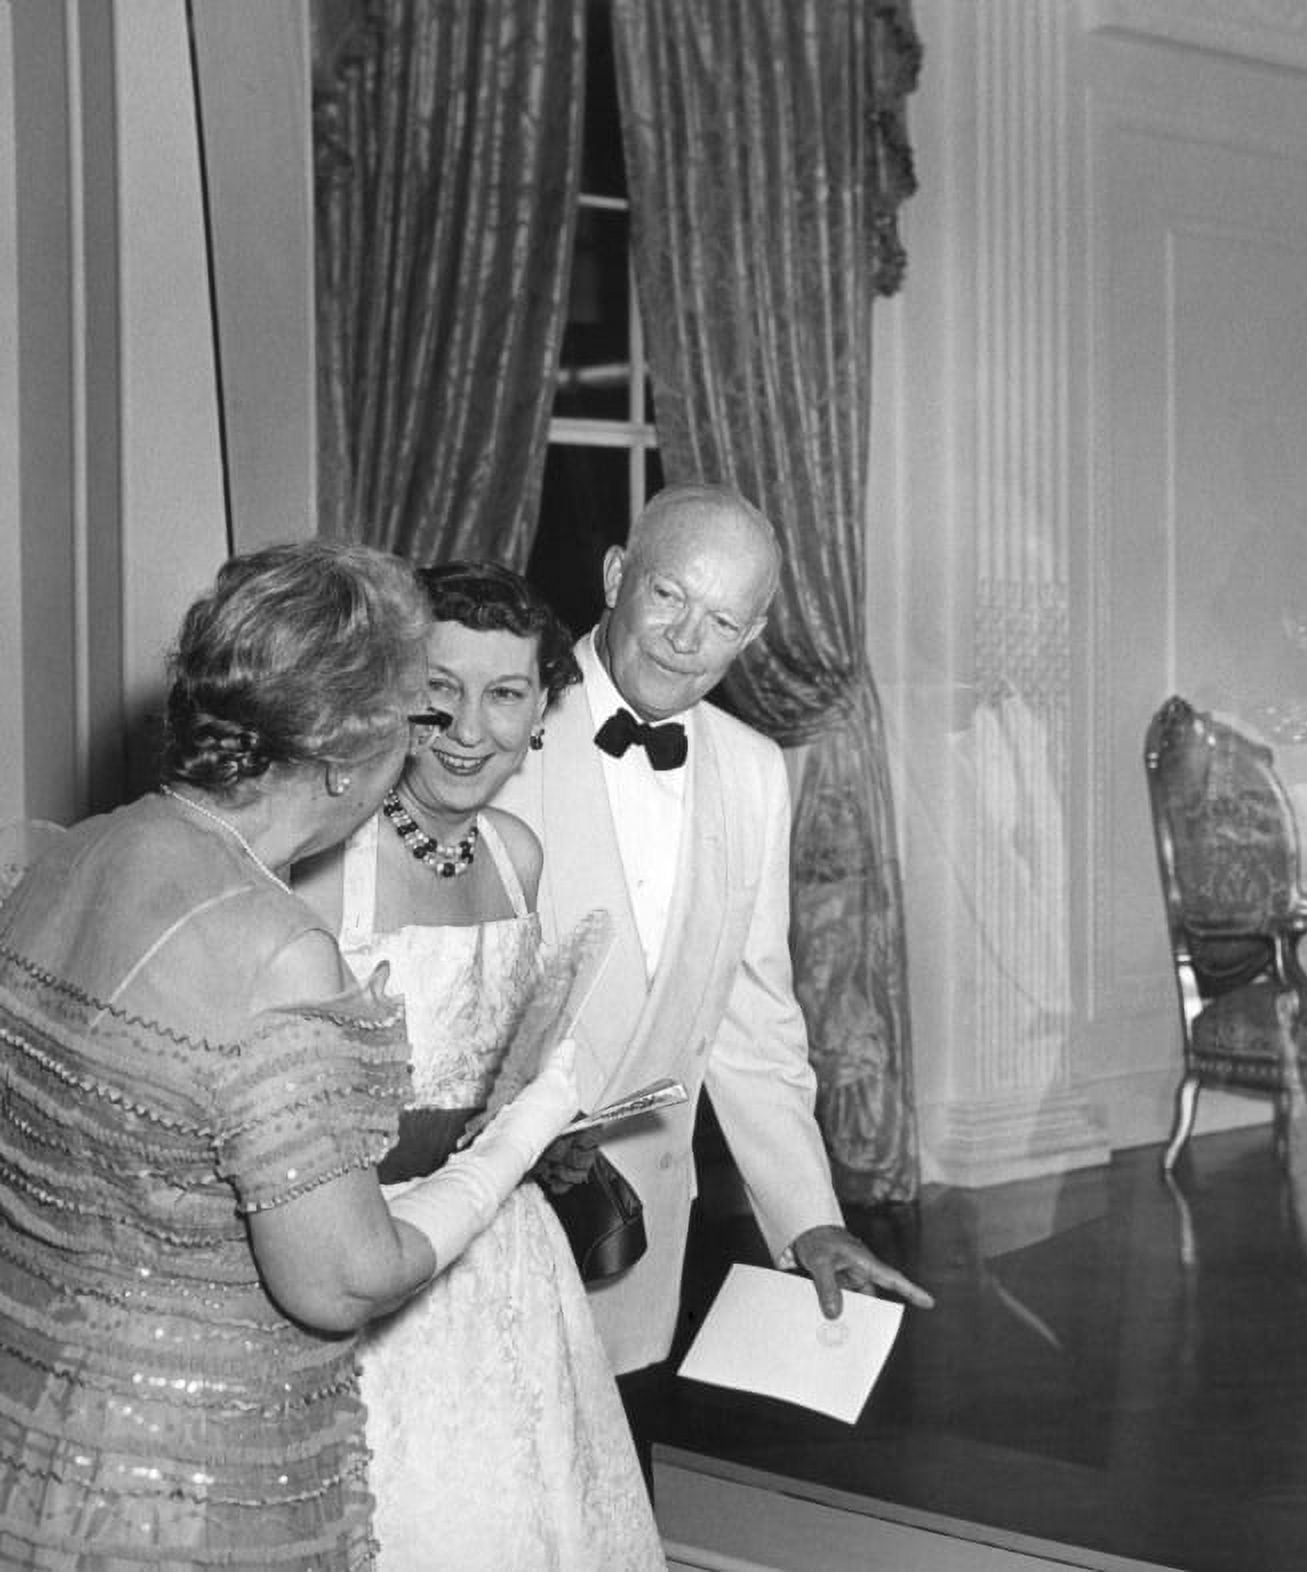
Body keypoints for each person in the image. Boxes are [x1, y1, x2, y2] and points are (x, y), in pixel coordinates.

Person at [0, 542, 579, 1567]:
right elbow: (343, 1281)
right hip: (194, 1473)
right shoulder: (280, 949)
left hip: (41, 1426)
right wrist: (517, 1139)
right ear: (342, 755)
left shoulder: (68, 856)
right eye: (418, 715)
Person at [496, 482, 934, 1395]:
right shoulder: (500, 728)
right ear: (618, 575)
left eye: (722, 619)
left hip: (642, 1235)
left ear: (754, 634)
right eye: (668, 596)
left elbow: (753, 1017)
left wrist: (808, 1217)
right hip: (492, 1212)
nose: (687, 640)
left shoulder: (754, 770)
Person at [292, 561, 665, 1570]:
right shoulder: (326, 863)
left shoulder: (516, 854)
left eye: (504, 695)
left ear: (540, 711)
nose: (468, 730)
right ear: (392, 698)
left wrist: (549, 1129)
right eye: (438, 694)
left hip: (509, 1257)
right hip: (371, 1260)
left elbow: (499, 1053)